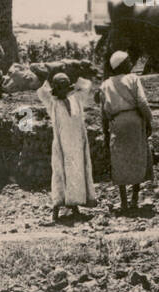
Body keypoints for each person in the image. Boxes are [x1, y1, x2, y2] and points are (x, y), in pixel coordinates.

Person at [37, 72, 97, 221]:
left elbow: (86, 85)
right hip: (62, 147)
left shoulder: (76, 99)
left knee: (77, 175)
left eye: (66, 86)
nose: (64, 90)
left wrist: (74, 74)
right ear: (56, 89)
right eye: (60, 87)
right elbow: (42, 92)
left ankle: (75, 207)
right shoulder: (53, 103)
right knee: (60, 175)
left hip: (77, 146)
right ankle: (56, 209)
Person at [99, 50, 153, 212]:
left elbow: (103, 112)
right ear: (122, 65)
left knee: (119, 160)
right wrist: (149, 120)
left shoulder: (105, 84)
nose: (131, 64)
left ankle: (123, 202)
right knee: (137, 156)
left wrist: (106, 132)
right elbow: (142, 102)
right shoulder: (133, 79)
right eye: (129, 62)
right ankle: (135, 199)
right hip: (135, 121)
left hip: (116, 122)